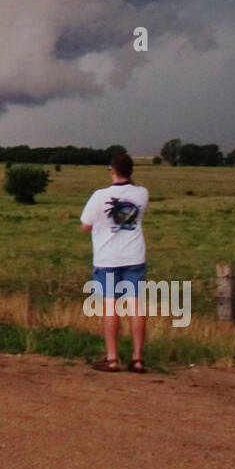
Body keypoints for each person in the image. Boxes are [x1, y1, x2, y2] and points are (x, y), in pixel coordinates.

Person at [80, 152, 150, 373]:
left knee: (111, 307)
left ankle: (112, 358)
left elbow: (85, 225)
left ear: (112, 171)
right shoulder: (142, 193)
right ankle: (137, 358)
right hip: (134, 256)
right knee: (135, 307)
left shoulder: (99, 196)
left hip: (107, 257)